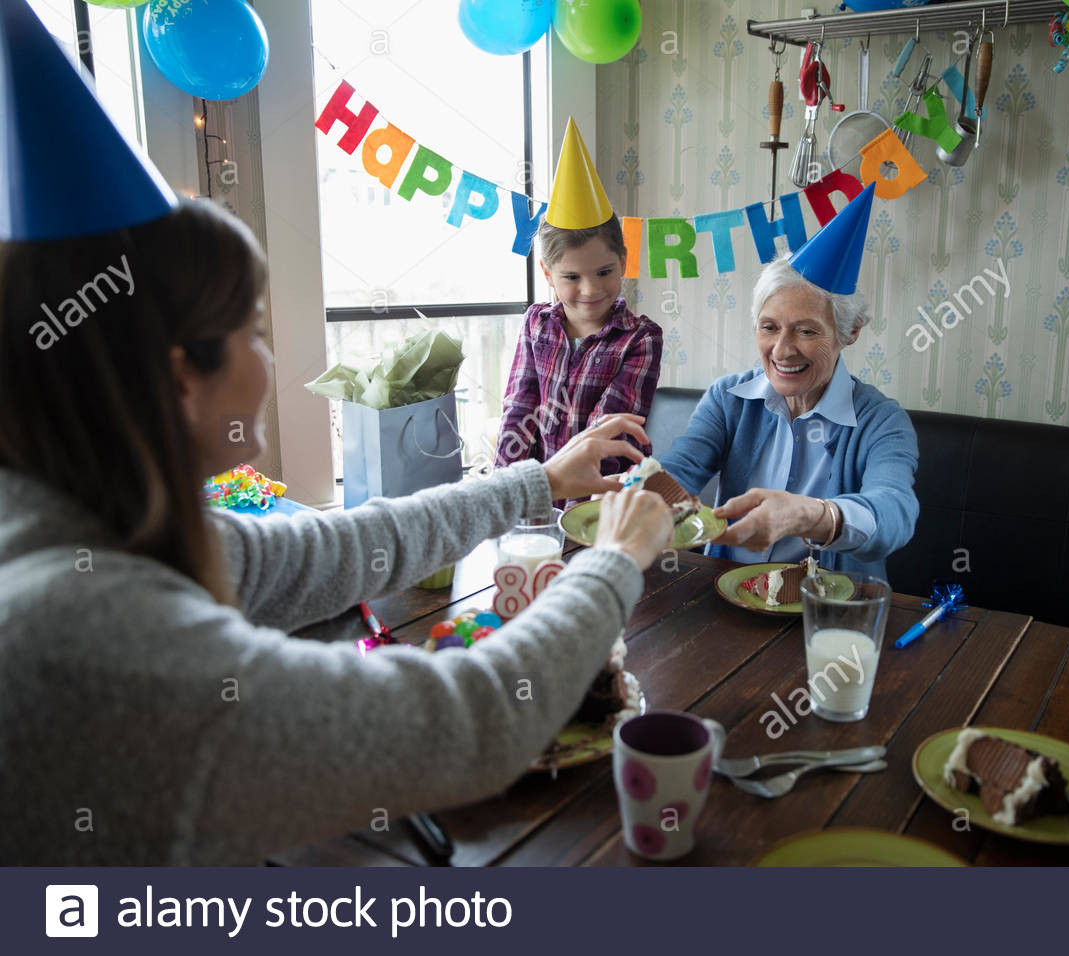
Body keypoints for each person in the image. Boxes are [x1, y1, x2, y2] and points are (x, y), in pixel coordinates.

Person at [0, 8, 673, 864]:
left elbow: (337, 548)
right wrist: (616, 563)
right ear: (179, 376)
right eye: (253, 329)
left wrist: (539, 481)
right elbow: (465, 722)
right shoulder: (86, 628)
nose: (270, 356)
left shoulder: (95, 529)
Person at [659, 186, 919, 579]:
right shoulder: (727, 399)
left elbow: (895, 513)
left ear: (850, 332)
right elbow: (680, 471)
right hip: (726, 595)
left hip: (828, 613)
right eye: (769, 327)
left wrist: (813, 515)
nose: (782, 350)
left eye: (806, 332)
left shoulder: (882, 421)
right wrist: (637, 493)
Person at [494, 120, 662, 501]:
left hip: (606, 498)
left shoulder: (640, 338)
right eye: (572, 276)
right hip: (539, 497)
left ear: (623, 260)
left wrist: (573, 511)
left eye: (604, 271)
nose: (591, 289)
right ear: (548, 274)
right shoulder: (537, 324)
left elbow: (610, 431)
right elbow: (519, 409)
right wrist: (504, 496)